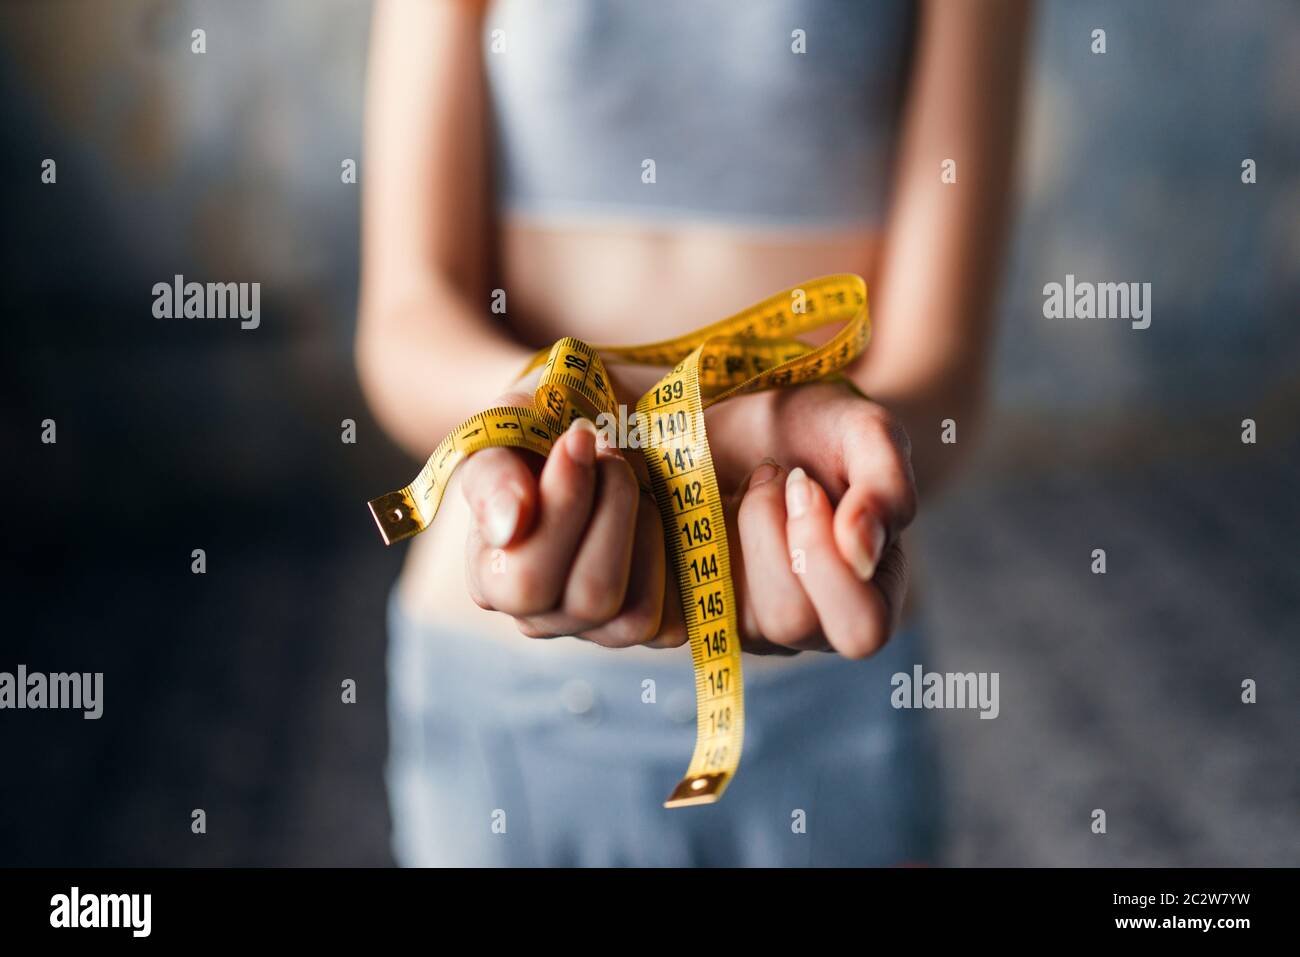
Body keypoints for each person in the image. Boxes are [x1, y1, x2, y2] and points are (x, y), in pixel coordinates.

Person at [356, 0, 1032, 866]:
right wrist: (537, 409)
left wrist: (830, 458)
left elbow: (943, 374)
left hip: (823, 695)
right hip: (499, 690)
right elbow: (408, 318)